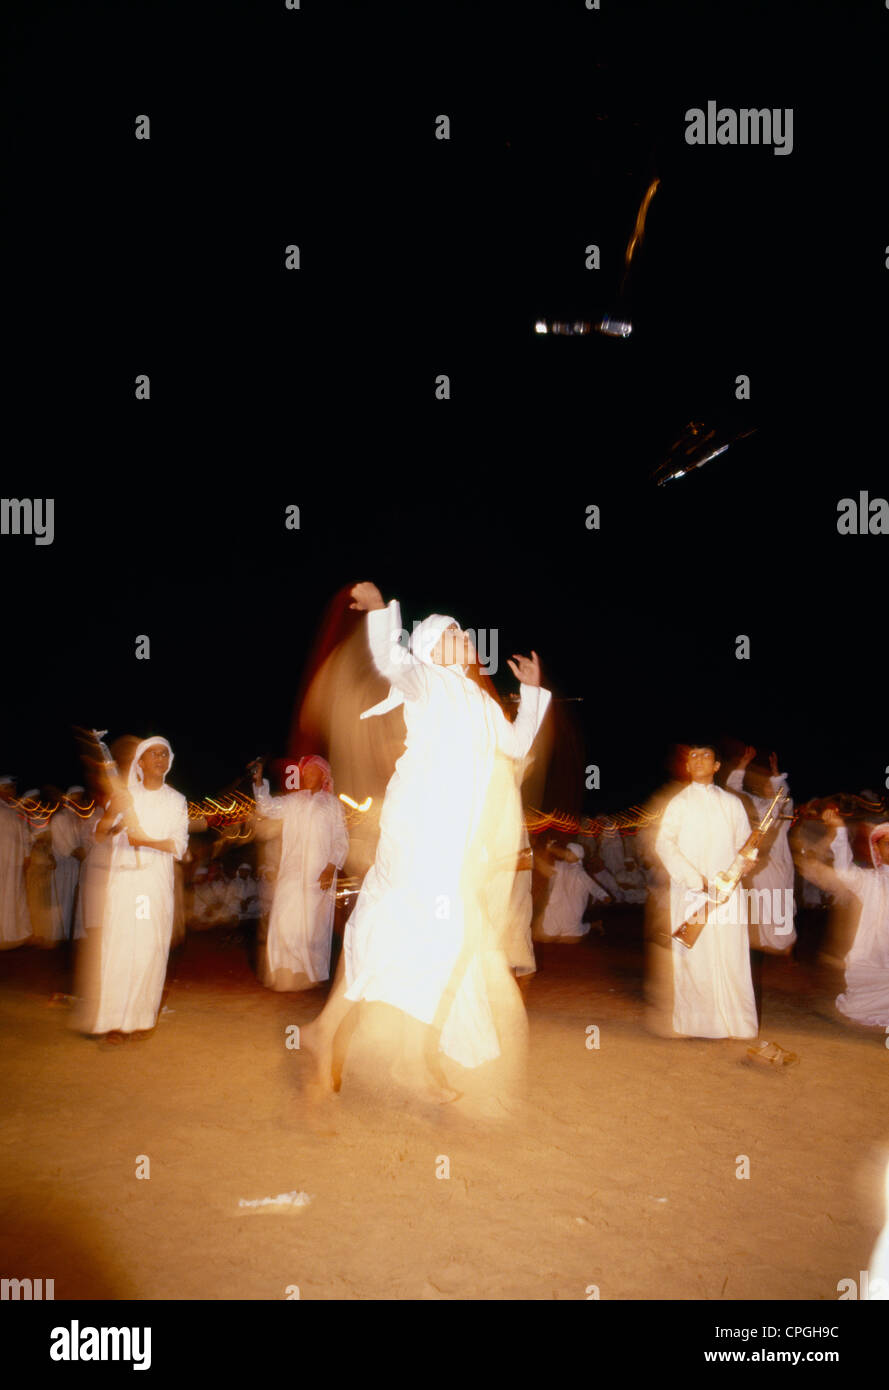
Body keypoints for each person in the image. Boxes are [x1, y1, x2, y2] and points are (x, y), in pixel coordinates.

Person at [301, 580, 551, 1103]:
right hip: (418, 828)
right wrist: (377, 612)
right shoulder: (425, 681)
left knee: (428, 940)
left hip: (453, 840)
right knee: (418, 931)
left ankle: (361, 1041)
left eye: (464, 632)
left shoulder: (482, 704)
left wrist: (530, 694)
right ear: (433, 645)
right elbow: (391, 661)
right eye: (455, 632)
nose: (464, 638)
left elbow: (517, 743)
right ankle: (392, 1054)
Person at [78, 737, 188, 1042]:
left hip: (152, 884)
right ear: (139, 762)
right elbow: (99, 835)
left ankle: (138, 1019)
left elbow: (177, 846)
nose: (160, 758)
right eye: (153, 754)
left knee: (148, 950)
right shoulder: (125, 796)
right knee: (119, 948)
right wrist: (114, 814)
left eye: (165, 754)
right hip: (124, 882)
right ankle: (112, 1021)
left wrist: (146, 841)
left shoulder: (176, 801)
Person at [654, 743, 758, 1040]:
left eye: (706, 756)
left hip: (727, 891)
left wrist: (745, 864)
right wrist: (695, 880)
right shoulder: (679, 803)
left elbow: (743, 845)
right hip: (692, 893)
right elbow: (665, 844)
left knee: (731, 953)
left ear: (716, 766)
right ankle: (697, 1024)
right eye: (693, 756)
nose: (698, 760)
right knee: (695, 956)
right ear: (687, 767)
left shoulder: (732, 803)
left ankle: (738, 1024)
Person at [253, 754, 348, 990]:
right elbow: (268, 807)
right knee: (284, 916)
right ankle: (284, 968)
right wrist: (257, 781)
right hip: (292, 871)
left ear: (323, 775)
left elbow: (340, 841)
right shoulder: (294, 801)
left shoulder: (333, 805)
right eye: (304, 773)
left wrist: (330, 867)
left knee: (312, 924)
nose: (306, 776)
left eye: (312, 772)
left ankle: (308, 972)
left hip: (319, 873)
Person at [803, 809, 889, 1028]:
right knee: (859, 999)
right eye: (886, 843)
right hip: (873, 949)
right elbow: (843, 871)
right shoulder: (870, 880)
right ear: (877, 849)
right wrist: (840, 830)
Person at [727, 746, 796, 953]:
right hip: (756, 862)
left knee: (779, 905)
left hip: (778, 861)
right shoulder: (755, 804)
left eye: (772, 786)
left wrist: (776, 772)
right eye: (766, 785)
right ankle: (759, 946)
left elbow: (782, 793)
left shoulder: (785, 805)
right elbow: (733, 790)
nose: (768, 788)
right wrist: (743, 763)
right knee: (757, 904)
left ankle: (786, 950)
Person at [538, 842, 609, 939]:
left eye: (569, 852)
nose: (566, 853)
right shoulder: (561, 865)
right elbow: (549, 870)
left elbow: (592, 886)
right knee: (550, 929)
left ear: (577, 855)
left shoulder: (580, 872)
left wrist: (603, 895)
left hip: (573, 904)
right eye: (566, 851)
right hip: (558, 902)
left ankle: (595, 925)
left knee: (573, 931)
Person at [0, 776, 32, 947]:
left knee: (16, 895)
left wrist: (26, 855)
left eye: (13, 788)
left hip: (16, 860)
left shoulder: (17, 809)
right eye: (9, 788)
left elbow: (25, 835)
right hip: (2, 860)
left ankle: (16, 933)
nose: (12, 791)